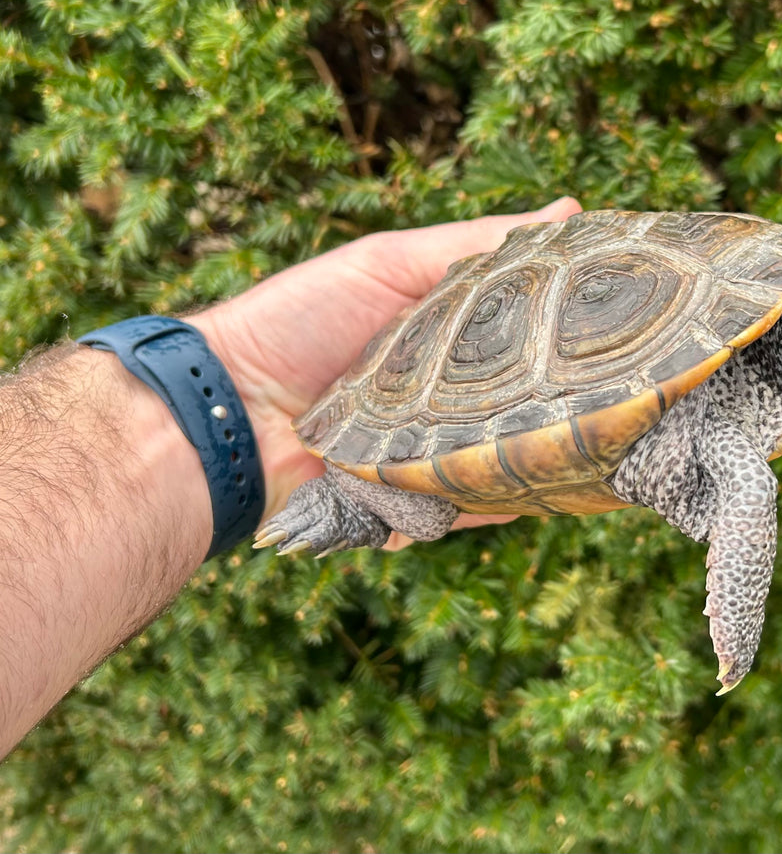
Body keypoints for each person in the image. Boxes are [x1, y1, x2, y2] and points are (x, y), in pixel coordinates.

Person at [0, 196, 583, 759]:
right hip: (420, 422)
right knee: (421, 507)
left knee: (422, 506)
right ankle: (355, 493)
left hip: (478, 405)